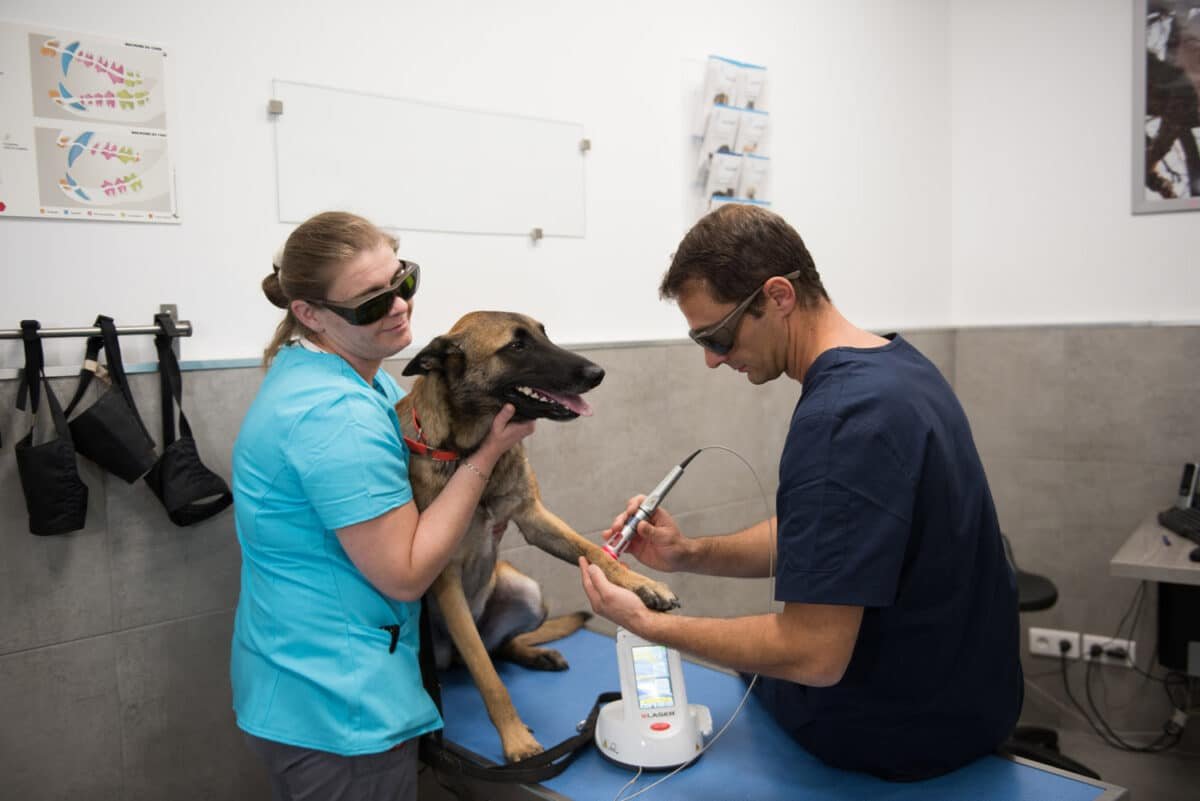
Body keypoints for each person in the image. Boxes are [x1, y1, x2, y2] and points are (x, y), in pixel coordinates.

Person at [578, 204, 1022, 781]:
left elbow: (814, 654)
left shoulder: (840, 417)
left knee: (750, 681)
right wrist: (688, 554)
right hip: (976, 709)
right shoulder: (902, 370)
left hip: (898, 734)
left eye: (717, 335)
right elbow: (831, 536)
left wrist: (650, 627)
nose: (712, 359)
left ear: (778, 296)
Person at [230, 211, 534, 801]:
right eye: (370, 301)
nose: (399, 306)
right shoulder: (336, 415)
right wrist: (488, 455)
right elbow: (406, 573)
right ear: (309, 314)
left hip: (306, 678)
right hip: (339, 706)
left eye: (403, 281)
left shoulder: (352, 380)